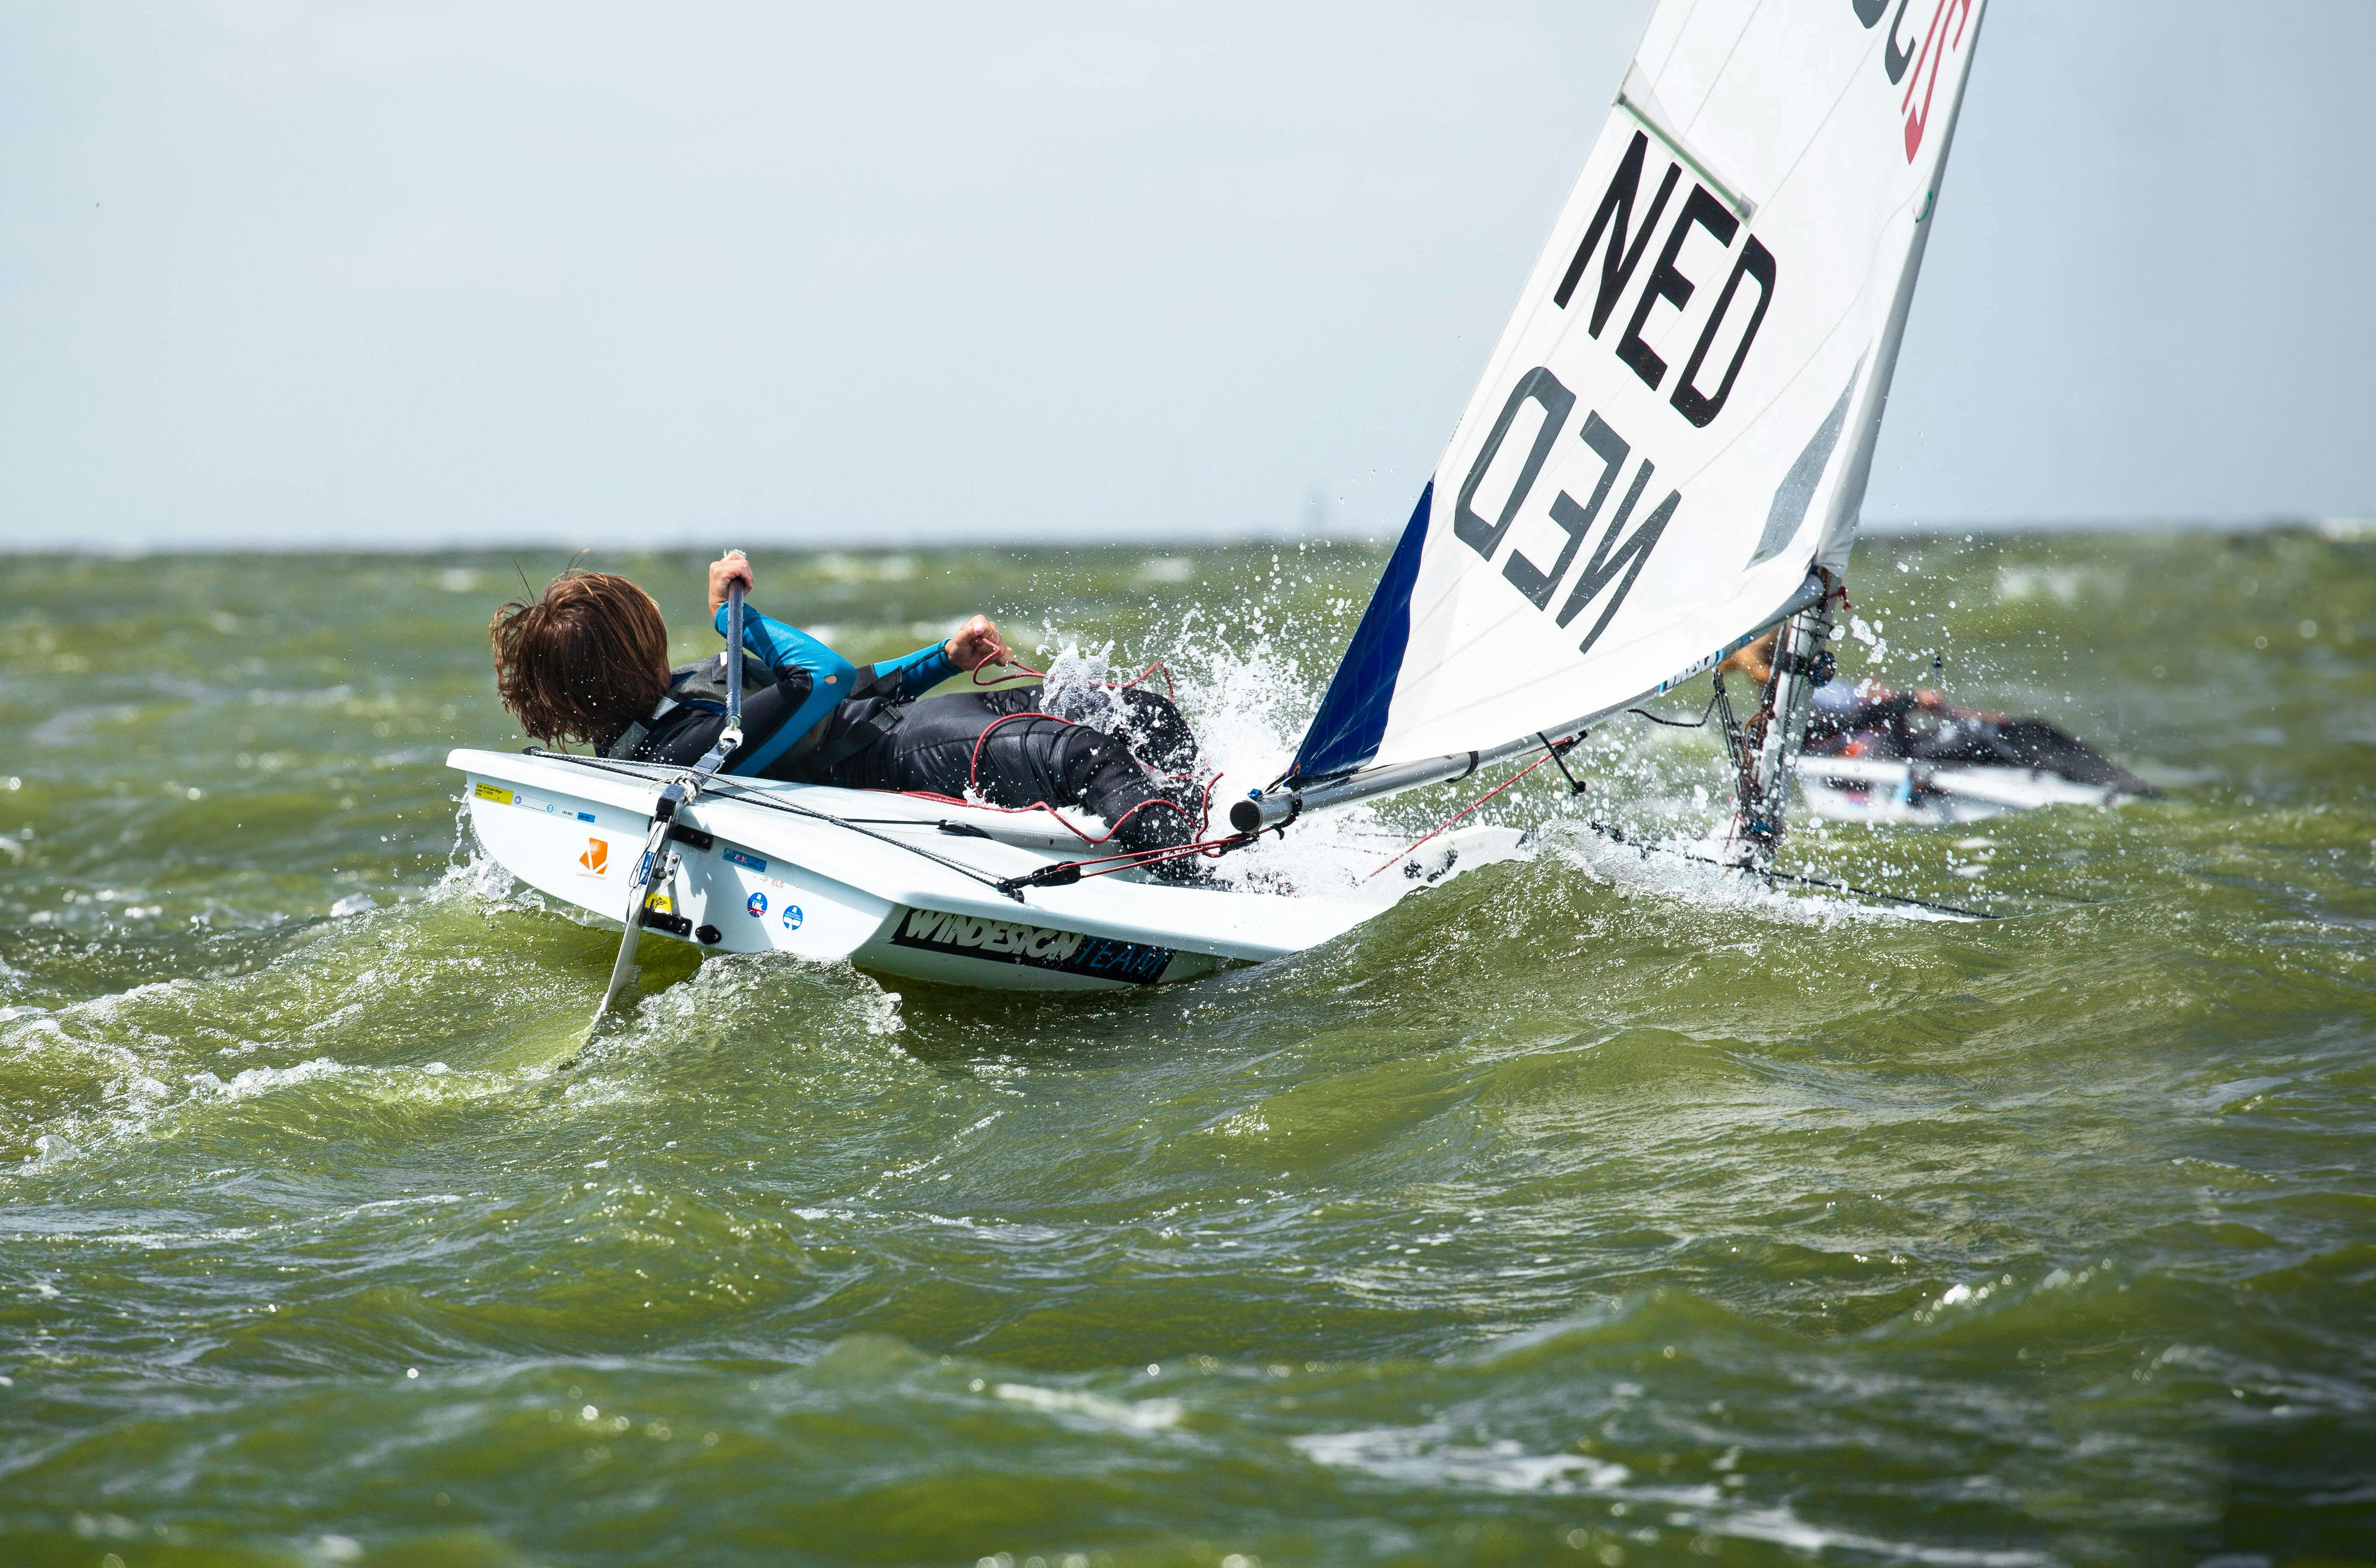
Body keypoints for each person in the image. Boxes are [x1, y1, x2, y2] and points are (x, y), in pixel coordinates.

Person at [487, 554, 1211, 876]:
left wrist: (941, 659)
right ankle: (1197, 889)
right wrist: (732, 621)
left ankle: (1201, 828)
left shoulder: (677, 701)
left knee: (1133, 711)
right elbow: (824, 679)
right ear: (628, 653)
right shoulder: (689, 743)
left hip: (918, 723)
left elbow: (845, 688)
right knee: (1081, 754)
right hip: (904, 761)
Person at [1719, 630, 2152, 793]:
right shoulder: (1789, 698)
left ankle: (2110, 779)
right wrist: (1904, 701)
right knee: (2008, 738)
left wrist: (1893, 699)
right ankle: (2118, 786)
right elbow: (1846, 723)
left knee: (2022, 729)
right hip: (1878, 765)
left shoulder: (1818, 684)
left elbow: (1860, 706)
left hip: (1898, 747)